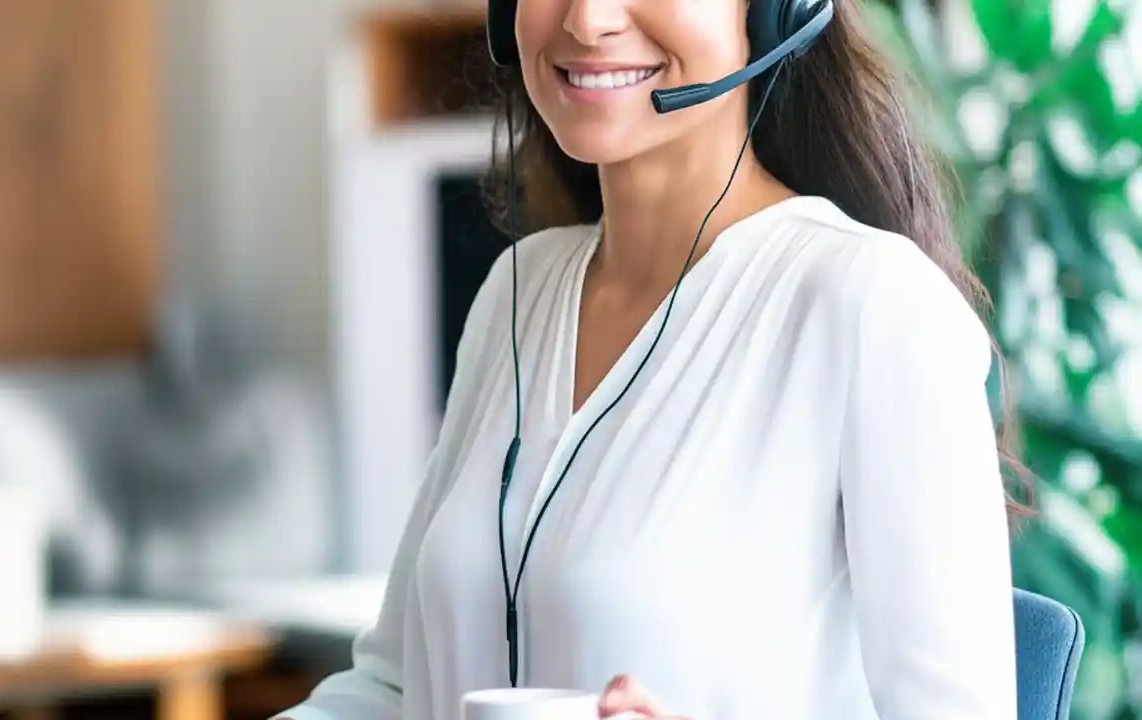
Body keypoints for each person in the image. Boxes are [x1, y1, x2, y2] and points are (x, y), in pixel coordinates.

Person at [278, 0, 1019, 717]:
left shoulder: (874, 306)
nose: (587, 18)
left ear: (775, 9)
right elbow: (396, 690)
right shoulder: (517, 291)